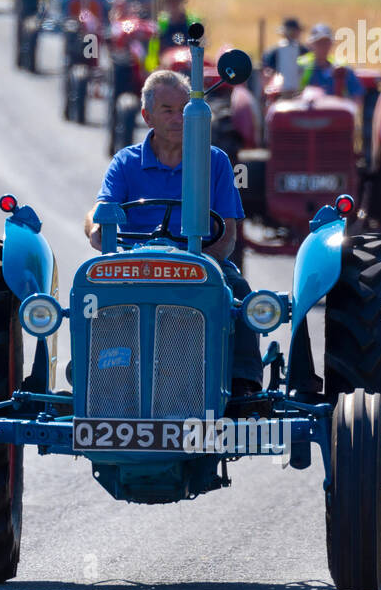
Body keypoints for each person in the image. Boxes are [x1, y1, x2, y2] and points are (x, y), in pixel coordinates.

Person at [83, 69, 263, 401]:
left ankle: (243, 382)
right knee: (95, 295)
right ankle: (96, 378)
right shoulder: (126, 162)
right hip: (137, 265)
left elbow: (228, 231)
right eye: (167, 110)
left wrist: (206, 263)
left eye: (184, 109)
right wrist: (96, 229)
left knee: (238, 292)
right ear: (147, 116)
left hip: (198, 262)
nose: (178, 118)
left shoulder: (215, 162)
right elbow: (99, 209)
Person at [299, 23, 362, 99]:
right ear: (311, 44)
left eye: (326, 42)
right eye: (319, 43)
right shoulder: (300, 67)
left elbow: (357, 96)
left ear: (331, 44)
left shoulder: (343, 69)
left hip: (336, 109)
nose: (323, 46)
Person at [261, 17, 304, 92]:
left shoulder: (302, 50)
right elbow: (268, 69)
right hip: (279, 89)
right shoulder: (275, 51)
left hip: (298, 89)